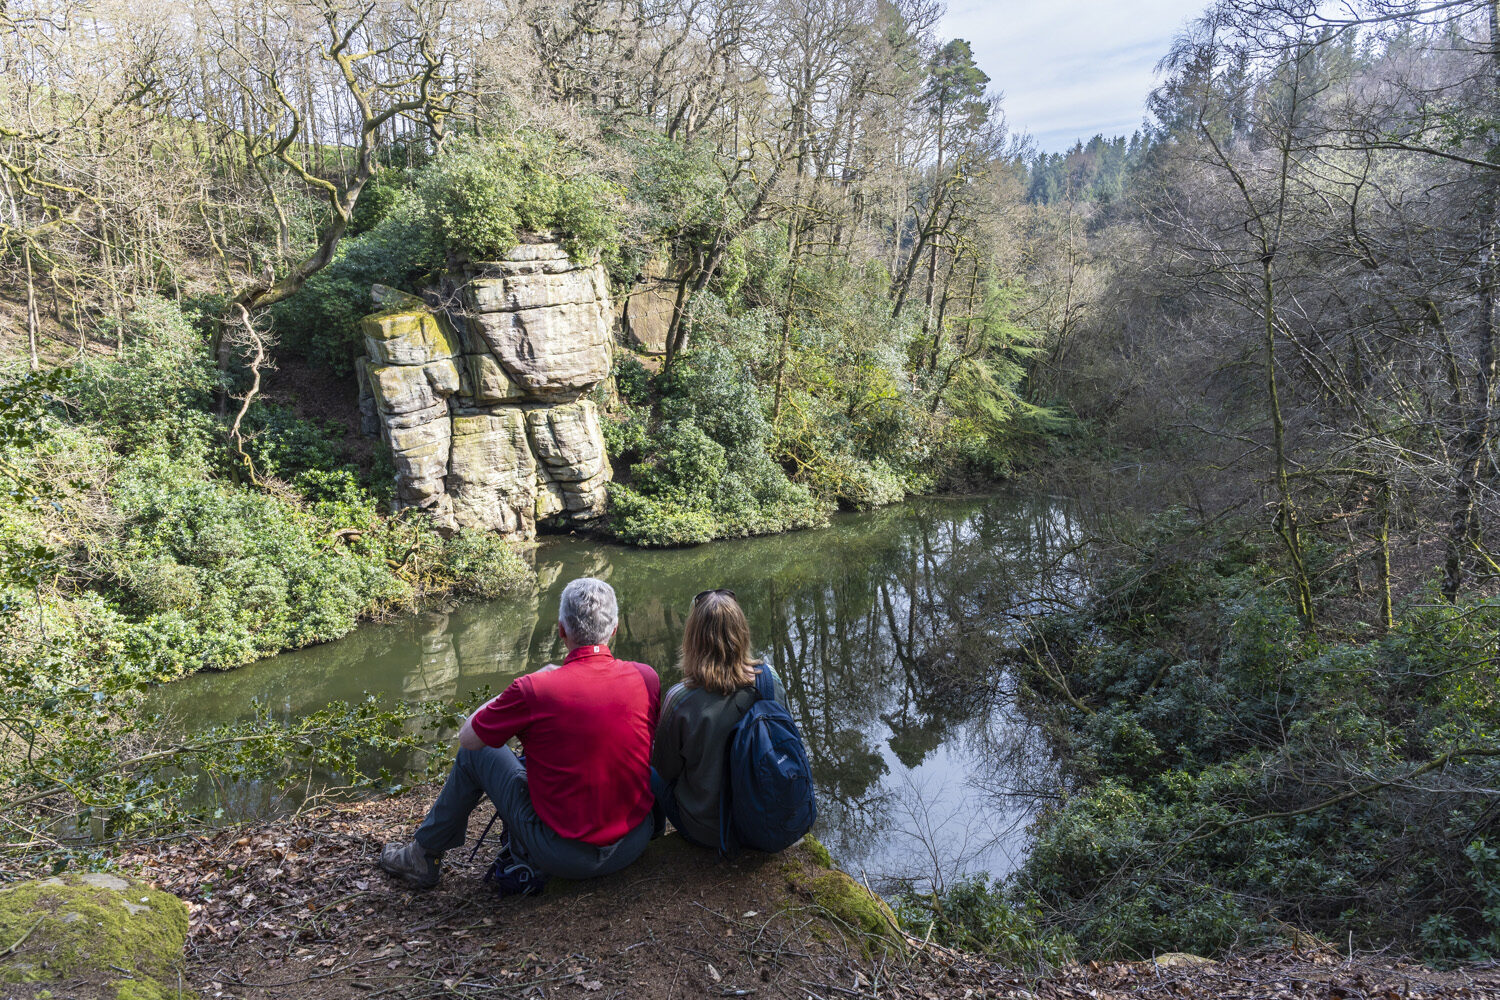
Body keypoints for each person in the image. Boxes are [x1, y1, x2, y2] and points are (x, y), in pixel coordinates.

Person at [379, 577, 659, 891]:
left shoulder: (536, 689)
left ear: (561, 630)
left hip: (563, 856)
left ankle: (422, 856)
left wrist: (523, 683)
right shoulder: (646, 677)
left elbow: (468, 737)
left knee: (477, 752)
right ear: (615, 629)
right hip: (633, 843)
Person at [650, 588, 787, 849]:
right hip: (765, 818)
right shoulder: (770, 680)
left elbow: (666, 770)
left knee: (650, 771)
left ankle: (653, 838)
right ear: (742, 633)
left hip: (707, 829)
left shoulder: (680, 699)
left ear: (693, 639)